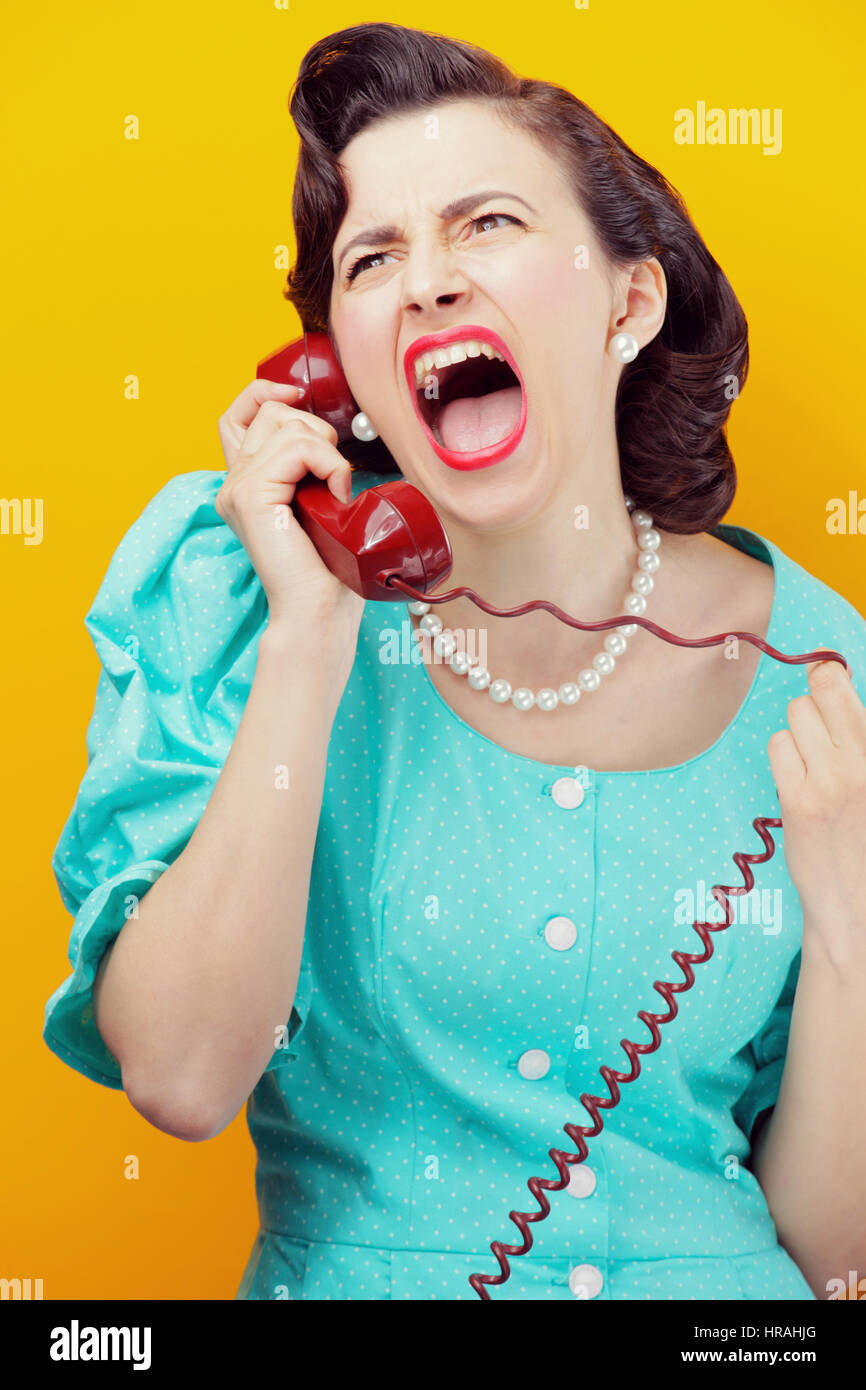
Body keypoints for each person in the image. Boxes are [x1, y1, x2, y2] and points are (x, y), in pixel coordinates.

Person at [44, 22, 866, 1301]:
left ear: (627, 300)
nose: (426, 281)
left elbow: (831, 1254)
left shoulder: (825, 680)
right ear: (341, 369)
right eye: (373, 256)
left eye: (485, 225)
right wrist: (310, 640)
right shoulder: (239, 606)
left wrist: (850, 931)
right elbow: (181, 1079)